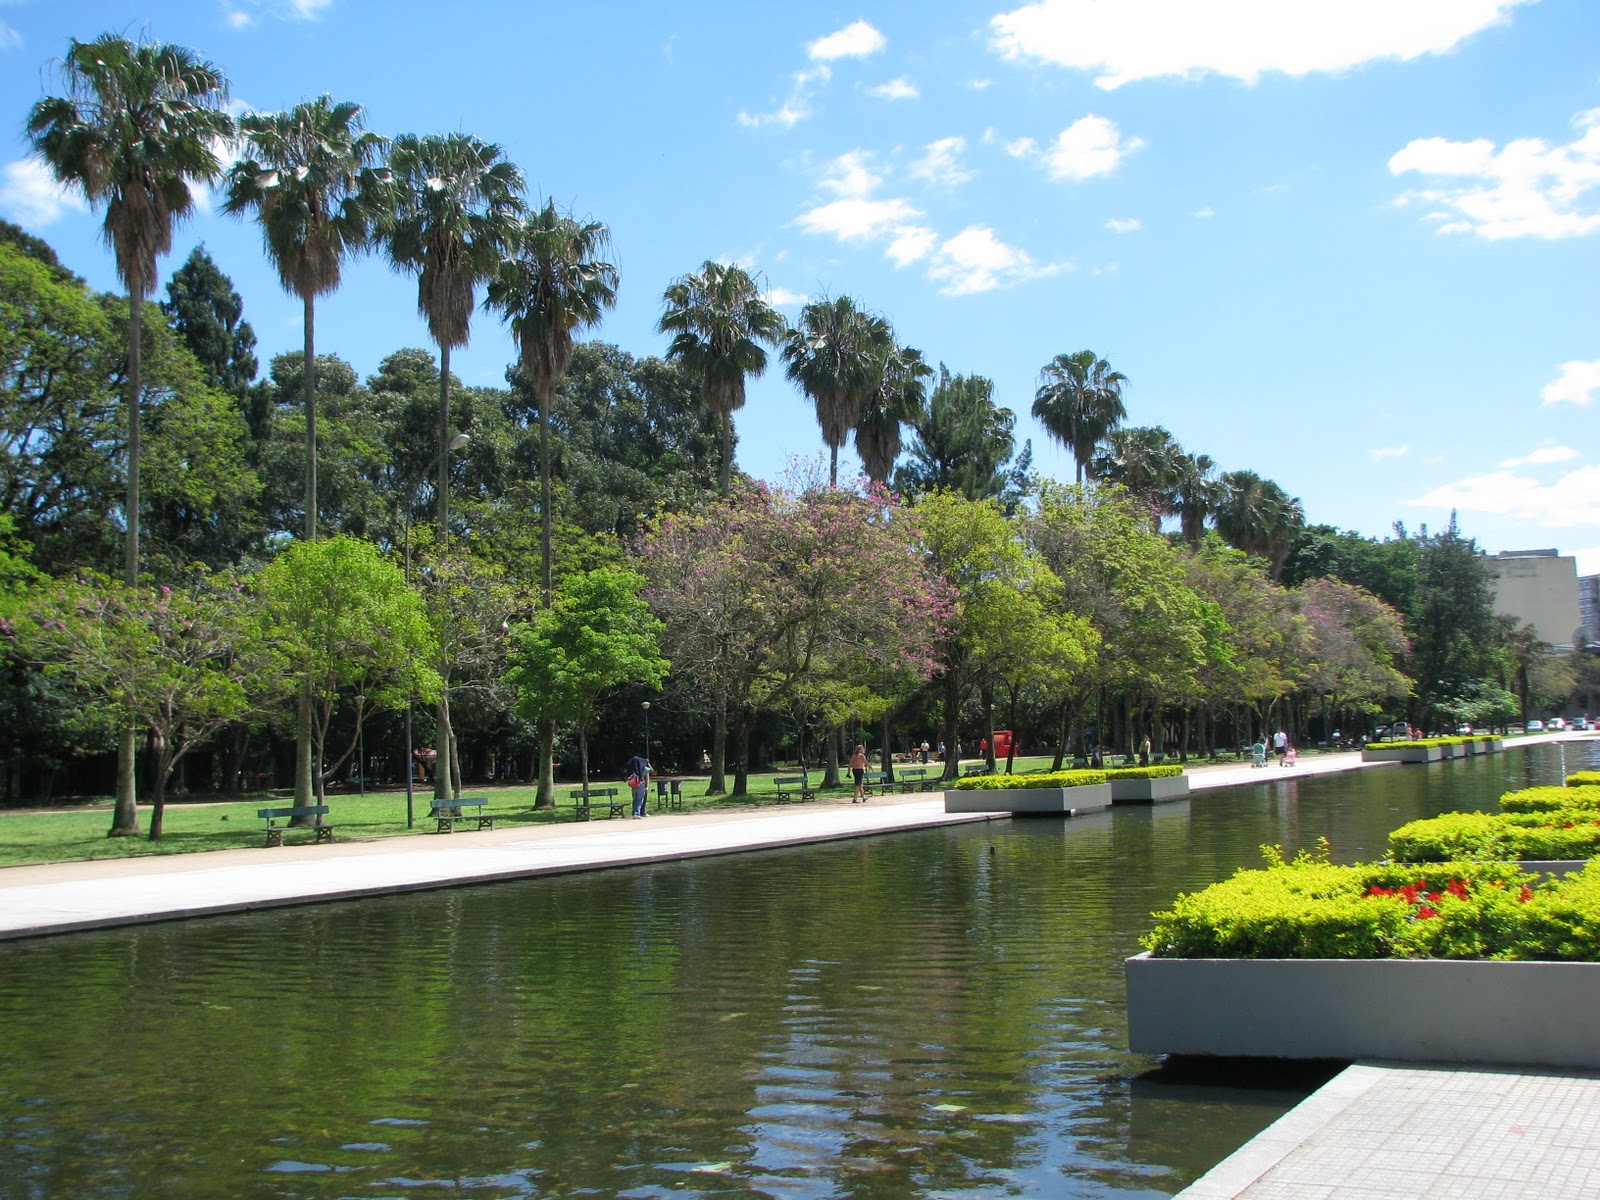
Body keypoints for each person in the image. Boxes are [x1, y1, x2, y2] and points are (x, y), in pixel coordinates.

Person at [624, 751, 652, 817]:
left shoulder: (633, 768)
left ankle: (634, 812)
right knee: (639, 799)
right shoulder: (644, 768)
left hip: (633, 785)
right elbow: (651, 770)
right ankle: (637, 813)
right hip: (641, 784)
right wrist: (647, 762)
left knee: (635, 799)